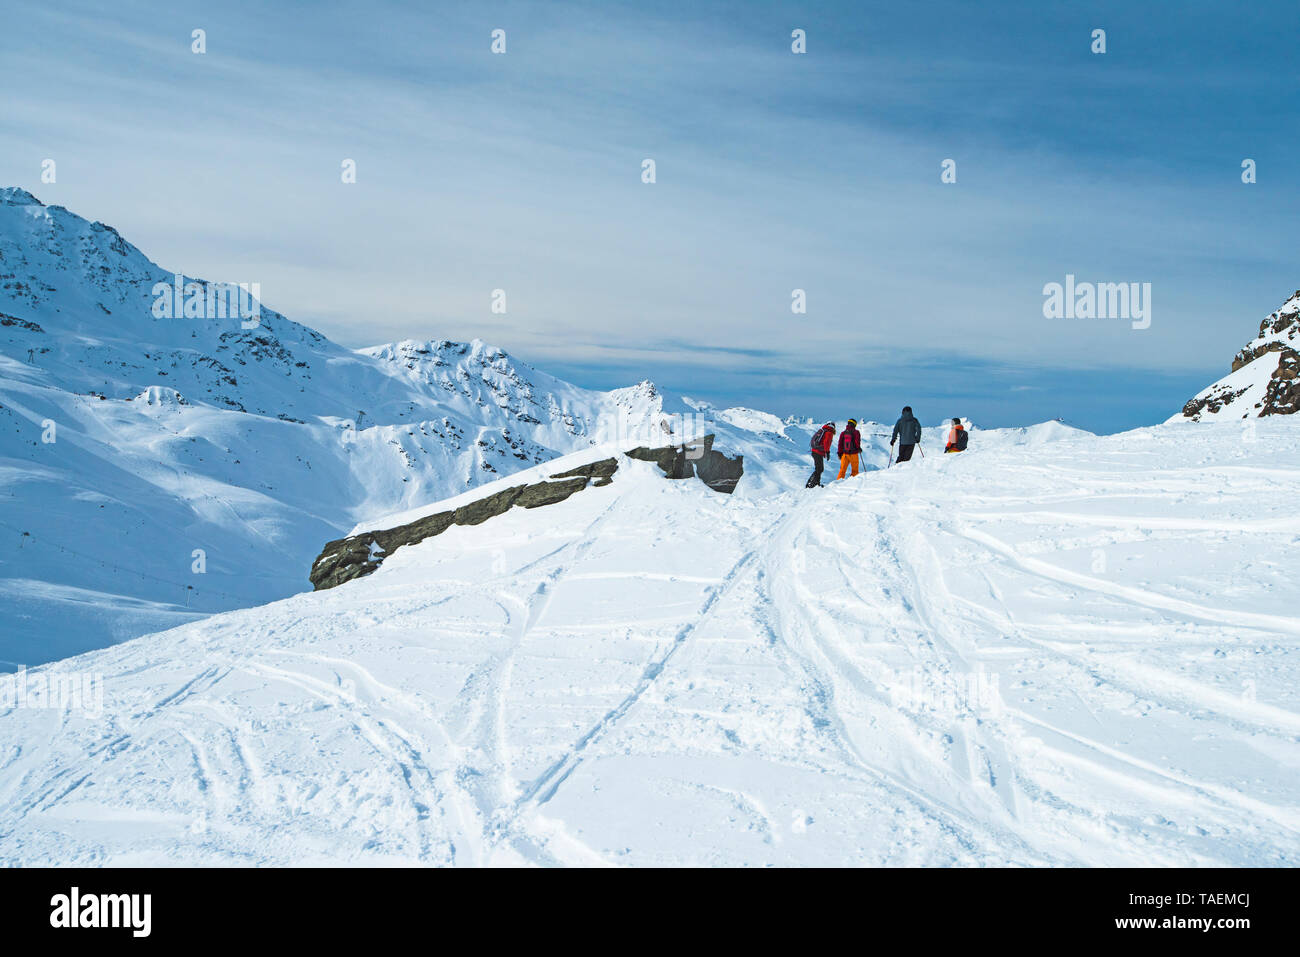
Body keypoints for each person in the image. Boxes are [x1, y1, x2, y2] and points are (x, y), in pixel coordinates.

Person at [806, 421, 836, 488]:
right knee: (819, 469)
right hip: (818, 452)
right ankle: (811, 484)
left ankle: (815, 483)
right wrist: (827, 452)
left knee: (819, 469)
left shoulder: (824, 430)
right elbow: (826, 443)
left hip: (815, 451)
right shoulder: (829, 432)